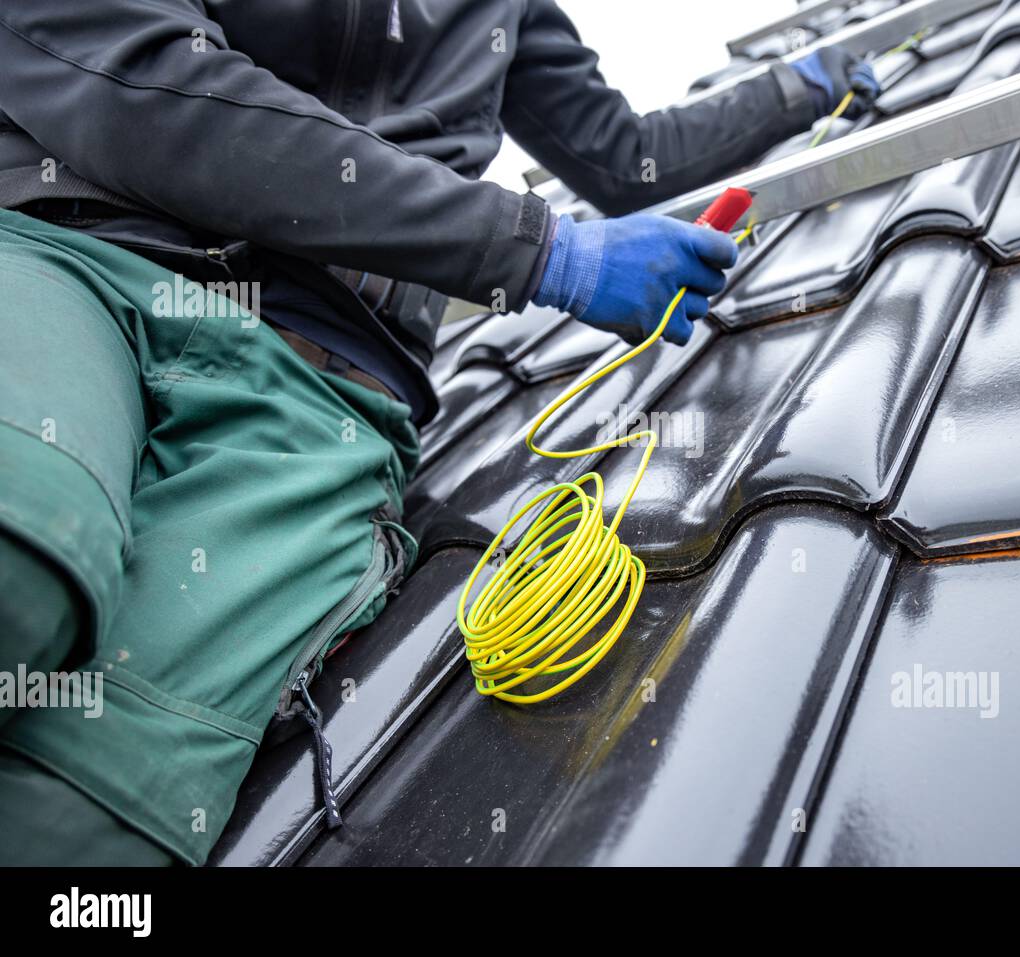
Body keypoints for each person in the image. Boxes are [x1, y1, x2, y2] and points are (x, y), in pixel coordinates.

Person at [0, 0, 877, 865]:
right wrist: (541, 252)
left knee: (94, 805)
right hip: (77, 262)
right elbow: (141, 86)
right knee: (23, 556)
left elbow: (630, 159)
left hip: (324, 387)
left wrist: (801, 87)